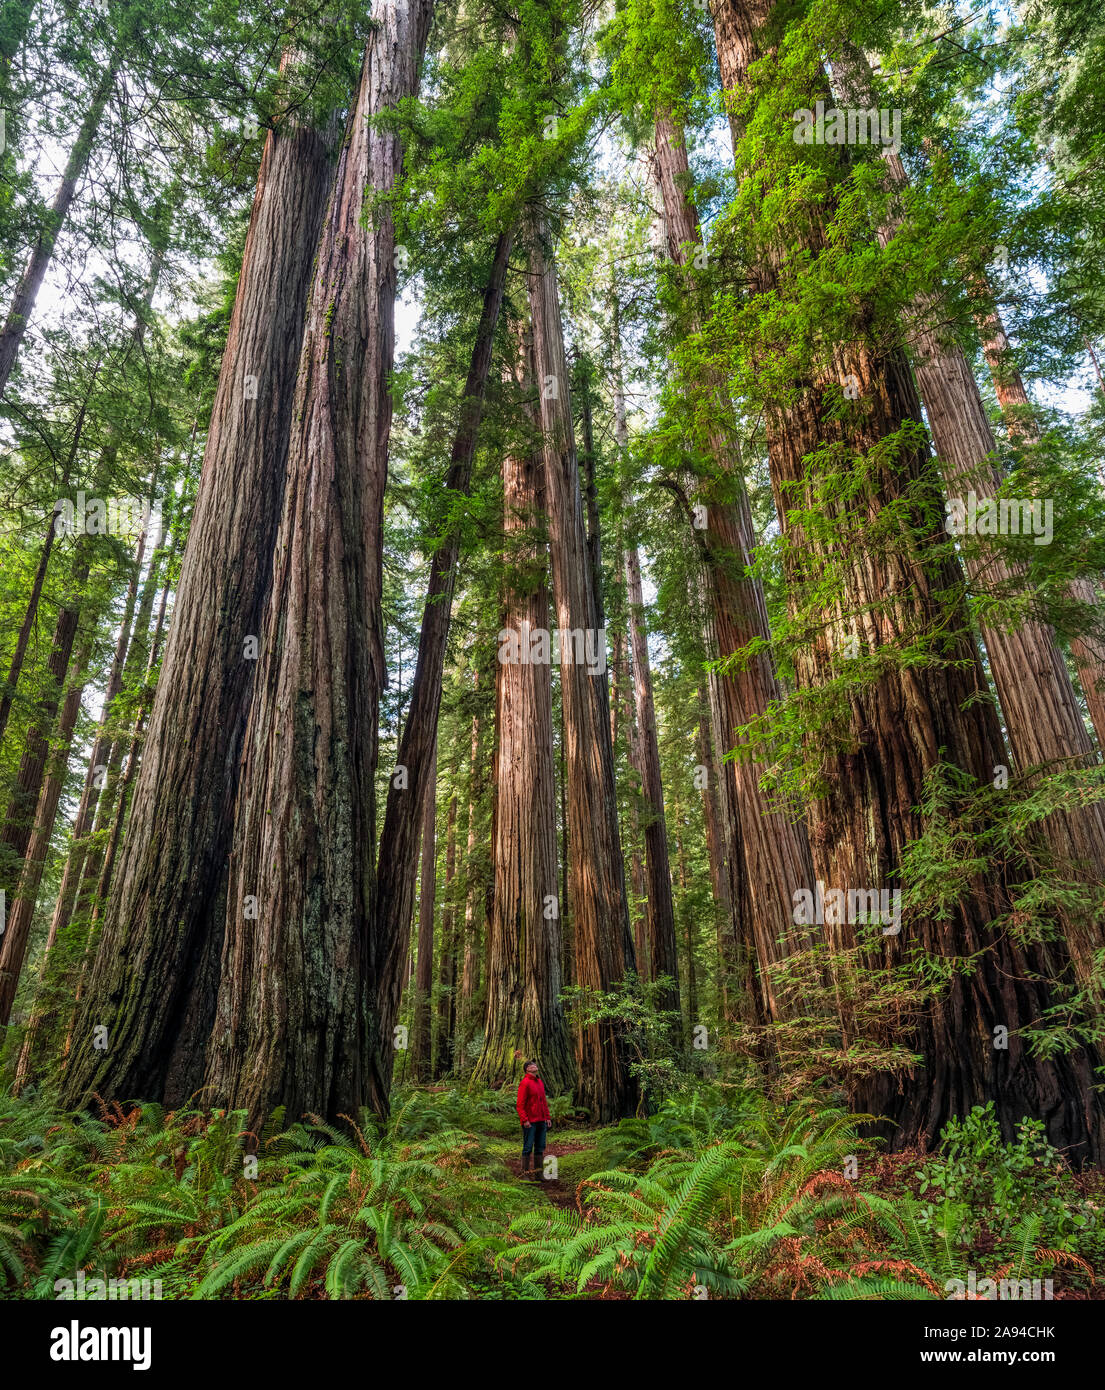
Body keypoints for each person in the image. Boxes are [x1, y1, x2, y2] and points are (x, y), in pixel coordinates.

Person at [516, 1059, 551, 1176]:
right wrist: (525, 1120)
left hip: (541, 1120)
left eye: (535, 1064)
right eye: (531, 1065)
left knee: (540, 1147)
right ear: (527, 1069)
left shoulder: (539, 1082)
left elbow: (543, 1102)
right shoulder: (525, 1083)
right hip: (530, 1121)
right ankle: (524, 1173)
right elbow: (520, 1105)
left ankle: (538, 1173)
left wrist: (547, 1117)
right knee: (528, 1147)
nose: (534, 1065)